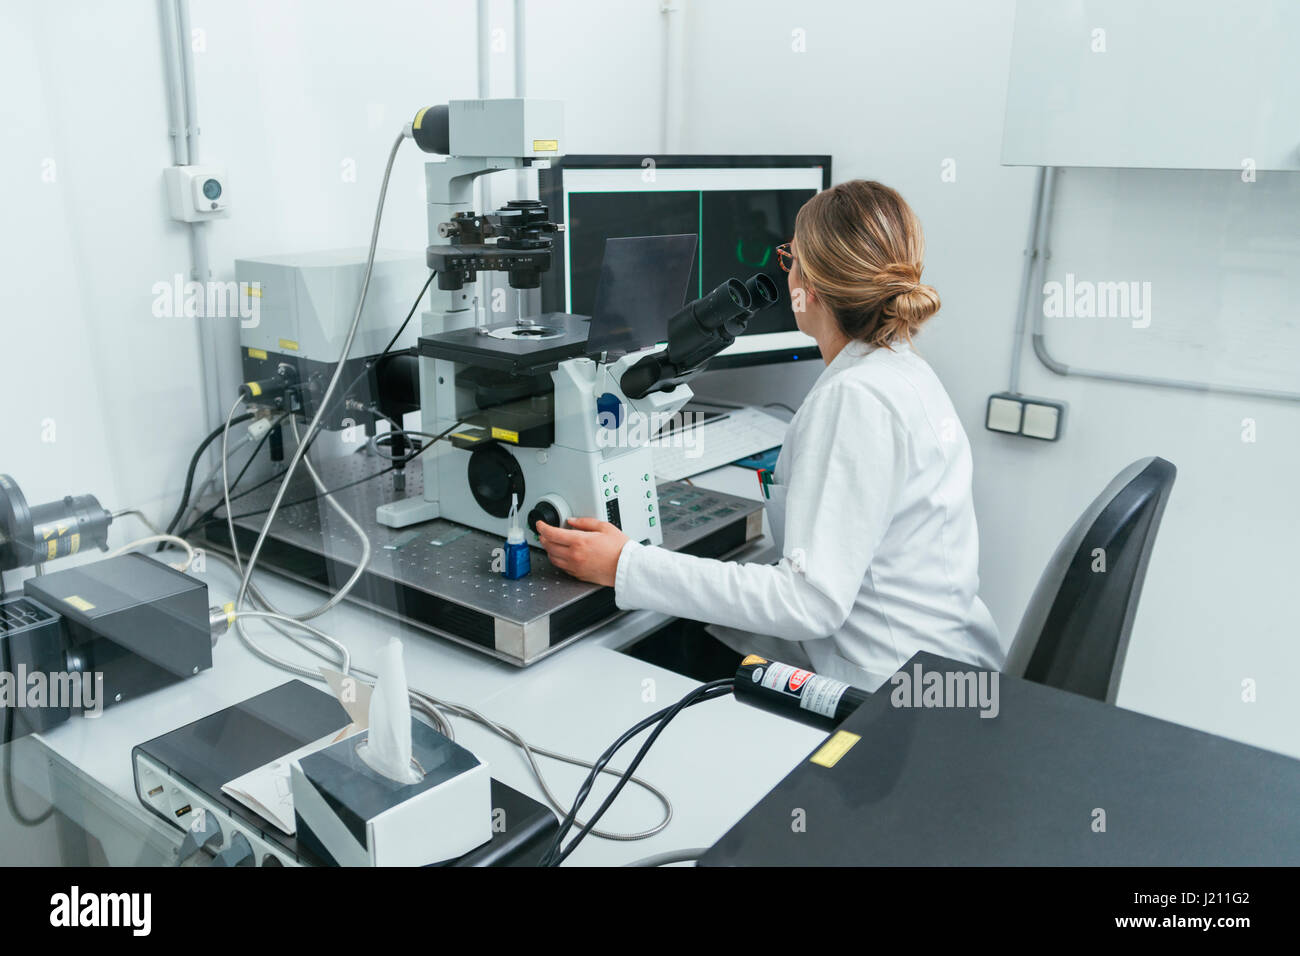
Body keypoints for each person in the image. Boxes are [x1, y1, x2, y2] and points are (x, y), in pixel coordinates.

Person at [535, 179, 1004, 690]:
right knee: (690, 636)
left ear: (816, 286)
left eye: (792, 260)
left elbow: (809, 603)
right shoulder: (900, 370)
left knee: (636, 660)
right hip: (934, 667)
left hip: (889, 695)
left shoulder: (855, 399)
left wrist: (626, 564)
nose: (787, 275)